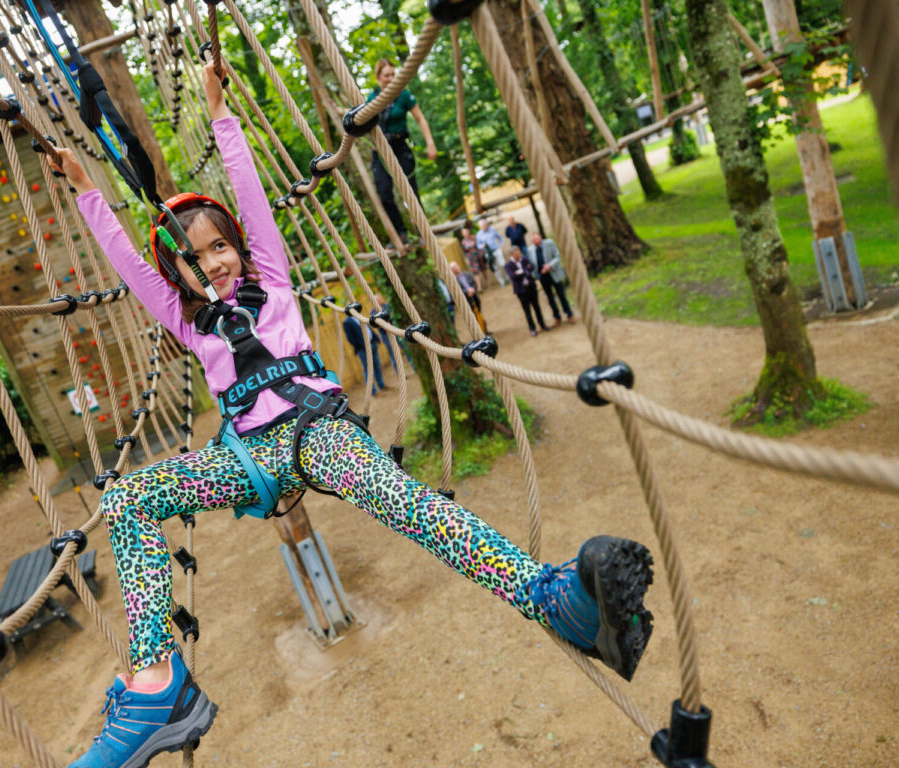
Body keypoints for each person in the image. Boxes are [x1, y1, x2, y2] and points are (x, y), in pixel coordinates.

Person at [50, 63, 654, 768]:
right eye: (195, 258)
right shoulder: (188, 325)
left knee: (409, 505)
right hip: (246, 459)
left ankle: (550, 596)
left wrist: (221, 115)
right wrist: (92, 194)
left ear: (240, 248)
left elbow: (251, 197)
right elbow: (129, 264)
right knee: (128, 496)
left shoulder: (270, 283)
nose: (212, 263)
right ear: (176, 274)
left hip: (317, 435)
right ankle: (155, 682)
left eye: (221, 246)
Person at [367, 59, 437, 244]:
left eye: (393, 74)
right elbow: (361, 115)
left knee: (411, 192)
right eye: (386, 75)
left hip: (400, 147)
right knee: (385, 194)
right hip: (381, 152)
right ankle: (401, 233)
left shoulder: (404, 95)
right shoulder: (372, 98)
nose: (391, 78)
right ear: (378, 78)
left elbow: (420, 118)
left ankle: (422, 231)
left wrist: (430, 143)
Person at [526, 232, 575, 325]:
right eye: (533, 240)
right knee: (550, 298)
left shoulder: (549, 243)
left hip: (554, 273)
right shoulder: (530, 250)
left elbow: (557, 257)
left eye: (537, 239)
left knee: (561, 295)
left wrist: (549, 265)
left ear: (540, 237)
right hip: (543, 277)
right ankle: (557, 317)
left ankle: (569, 314)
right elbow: (532, 263)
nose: (535, 241)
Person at [505, 249, 549, 337]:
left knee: (537, 307)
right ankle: (532, 328)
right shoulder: (508, 265)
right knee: (527, 311)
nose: (518, 256)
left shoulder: (524, 259)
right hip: (521, 291)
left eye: (519, 253)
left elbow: (532, 266)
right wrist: (525, 271)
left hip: (531, 288)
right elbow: (513, 276)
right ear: (512, 255)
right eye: (516, 254)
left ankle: (542, 324)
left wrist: (520, 272)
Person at [342, 314, 387, 395]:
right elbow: (350, 339)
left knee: (377, 365)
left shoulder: (360, 317)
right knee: (368, 370)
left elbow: (368, 328)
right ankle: (373, 391)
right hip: (363, 350)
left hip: (372, 344)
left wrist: (375, 337)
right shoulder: (347, 322)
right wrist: (363, 346)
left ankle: (382, 385)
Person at [449, 261, 487, 333]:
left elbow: (474, 283)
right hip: (466, 301)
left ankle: (485, 330)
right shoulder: (453, 280)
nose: (456, 269)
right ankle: (478, 332)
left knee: (479, 313)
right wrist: (467, 292)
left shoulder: (467, 274)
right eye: (454, 268)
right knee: (472, 317)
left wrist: (473, 289)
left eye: (456, 266)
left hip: (474, 296)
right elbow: (457, 291)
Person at [475, 218, 508, 287]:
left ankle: (507, 278)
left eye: (485, 224)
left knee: (502, 264)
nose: (484, 226)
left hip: (497, 249)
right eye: (482, 225)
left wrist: (502, 243)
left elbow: (499, 236)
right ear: (480, 226)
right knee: (496, 268)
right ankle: (502, 282)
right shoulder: (478, 235)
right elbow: (478, 245)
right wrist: (482, 246)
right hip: (488, 253)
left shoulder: (492, 229)